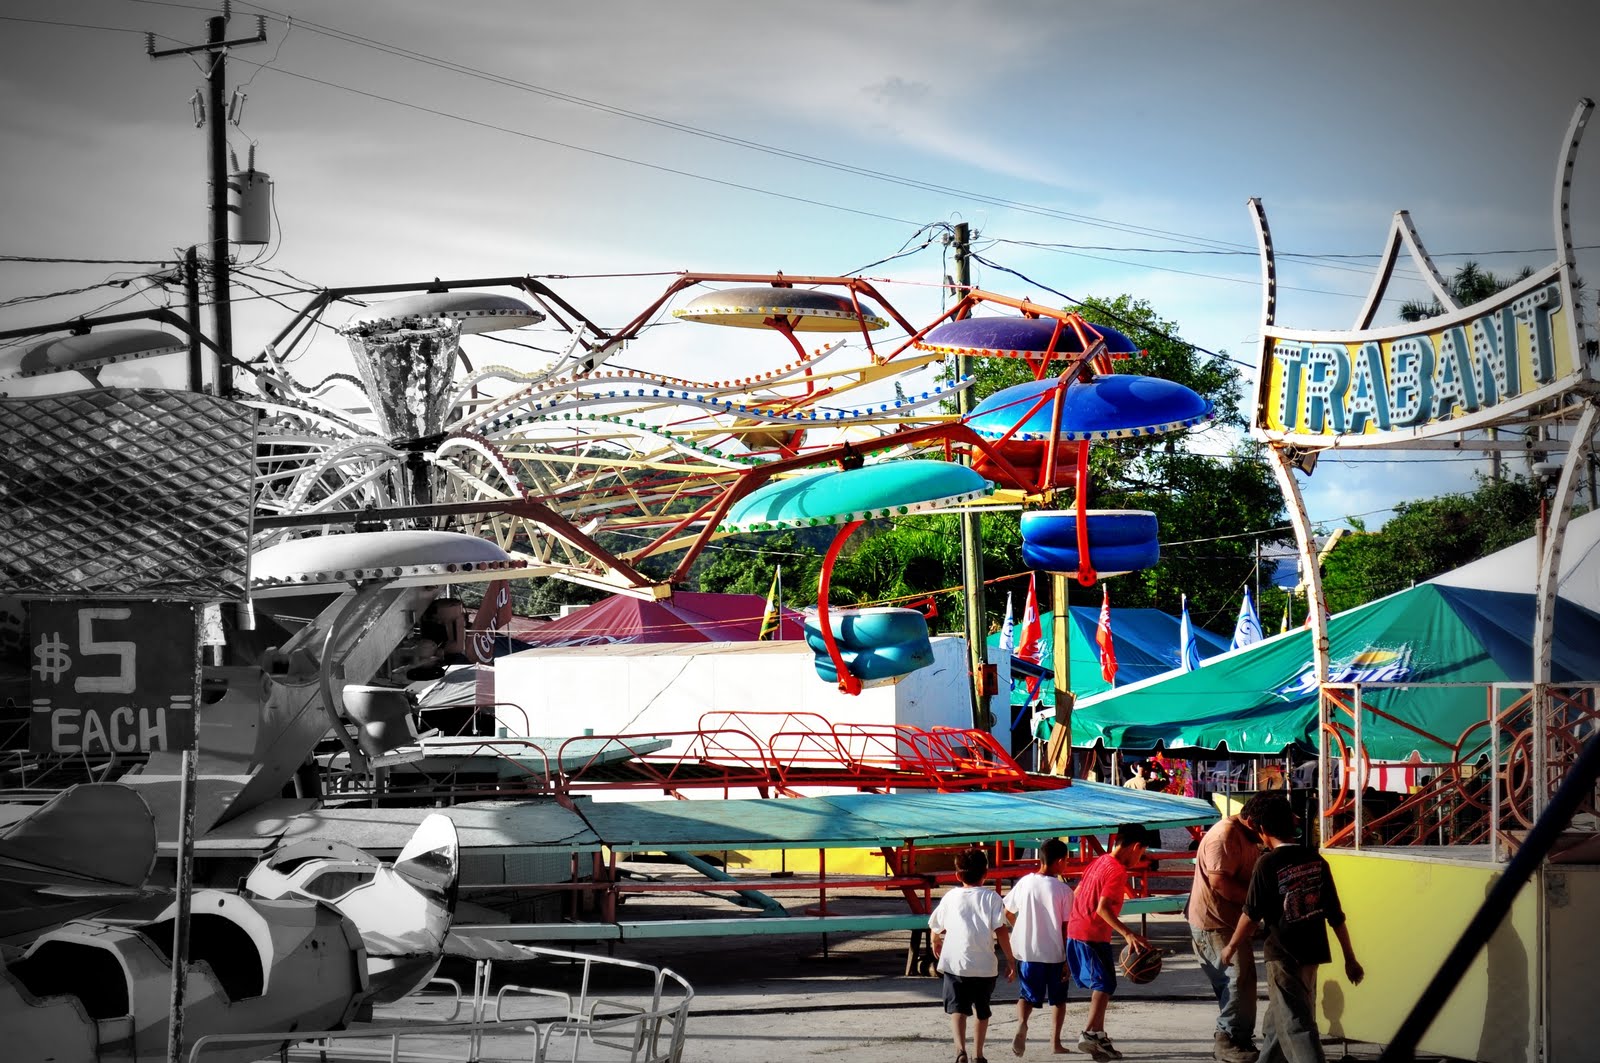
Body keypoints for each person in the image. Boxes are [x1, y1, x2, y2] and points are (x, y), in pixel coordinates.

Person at [1220, 797, 1363, 1063]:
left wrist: (1231, 946)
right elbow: (1336, 916)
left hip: (1283, 955)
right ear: (1292, 824)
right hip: (1313, 952)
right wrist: (1349, 958)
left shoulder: (1267, 863)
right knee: (1280, 1017)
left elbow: (1251, 914)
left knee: (1296, 1023)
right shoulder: (1316, 860)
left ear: (1261, 829)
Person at [1187, 792, 1275, 1063]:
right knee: (1237, 981)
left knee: (1241, 982)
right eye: (1262, 832)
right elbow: (1220, 883)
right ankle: (1227, 1041)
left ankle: (1237, 1038)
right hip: (1214, 924)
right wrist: (1257, 906)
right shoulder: (1224, 836)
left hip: (1229, 921)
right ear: (1250, 822)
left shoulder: (1245, 835)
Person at [1065, 824, 1152, 1061]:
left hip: (1078, 928)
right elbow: (1102, 908)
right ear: (1135, 847)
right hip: (1090, 933)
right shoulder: (1117, 871)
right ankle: (1090, 1033)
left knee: (1104, 983)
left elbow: (1077, 893)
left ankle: (1097, 1035)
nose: (1140, 858)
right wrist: (1128, 934)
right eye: (1141, 853)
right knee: (1104, 984)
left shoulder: (1099, 860)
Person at [930, 848, 1017, 1063]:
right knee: (982, 1010)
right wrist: (1011, 959)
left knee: (957, 1009)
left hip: (955, 964)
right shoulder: (992, 898)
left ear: (958, 875)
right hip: (984, 965)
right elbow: (1001, 931)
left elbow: (935, 926)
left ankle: (960, 1050)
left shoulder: (950, 897)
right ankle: (978, 1054)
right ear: (985, 873)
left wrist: (936, 941)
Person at [1002, 837, 1074, 1057]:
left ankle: (1023, 1023)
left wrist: (1021, 927)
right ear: (1060, 861)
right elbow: (1065, 928)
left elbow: (1007, 912)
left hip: (1027, 951)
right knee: (1059, 1001)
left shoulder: (1025, 882)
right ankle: (1055, 1042)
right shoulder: (1063, 890)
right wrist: (1068, 960)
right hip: (1054, 952)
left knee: (1026, 995)